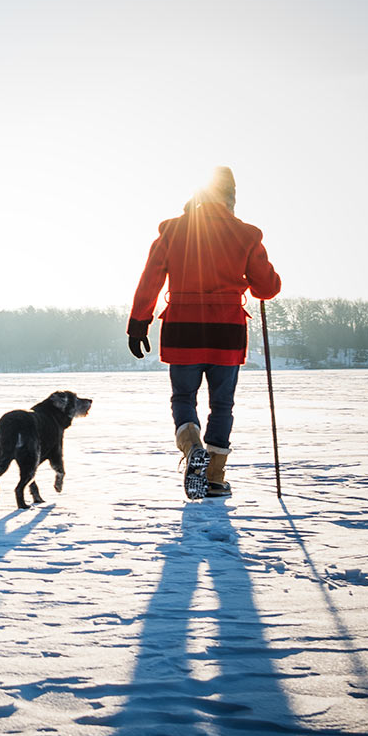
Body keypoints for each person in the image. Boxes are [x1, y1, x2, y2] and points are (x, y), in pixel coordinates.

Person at [127, 167, 281, 497]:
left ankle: (191, 446)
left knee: (183, 398)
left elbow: (150, 278)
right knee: (222, 406)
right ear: (231, 197)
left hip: (183, 331)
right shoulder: (247, 235)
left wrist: (139, 322)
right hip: (226, 333)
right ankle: (213, 478)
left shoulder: (172, 231)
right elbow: (266, 288)